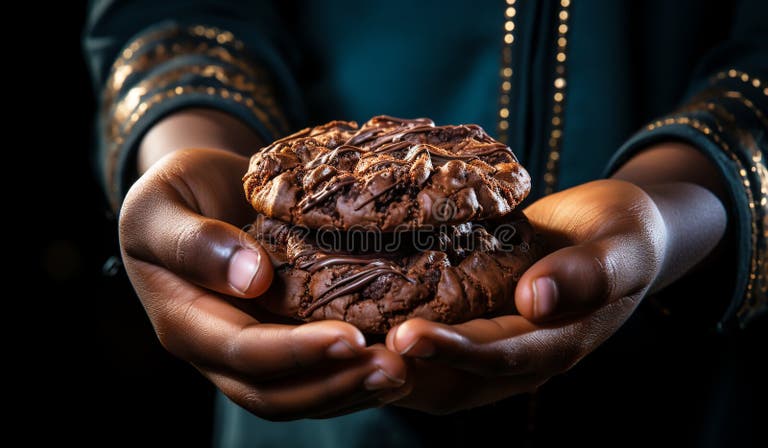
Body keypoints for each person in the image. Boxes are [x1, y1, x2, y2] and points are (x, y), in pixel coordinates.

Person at [84, 0, 766, 446]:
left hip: (679, 398)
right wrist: (188, 146)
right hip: (312, 405)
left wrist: (686, 201)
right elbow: (170, 11)